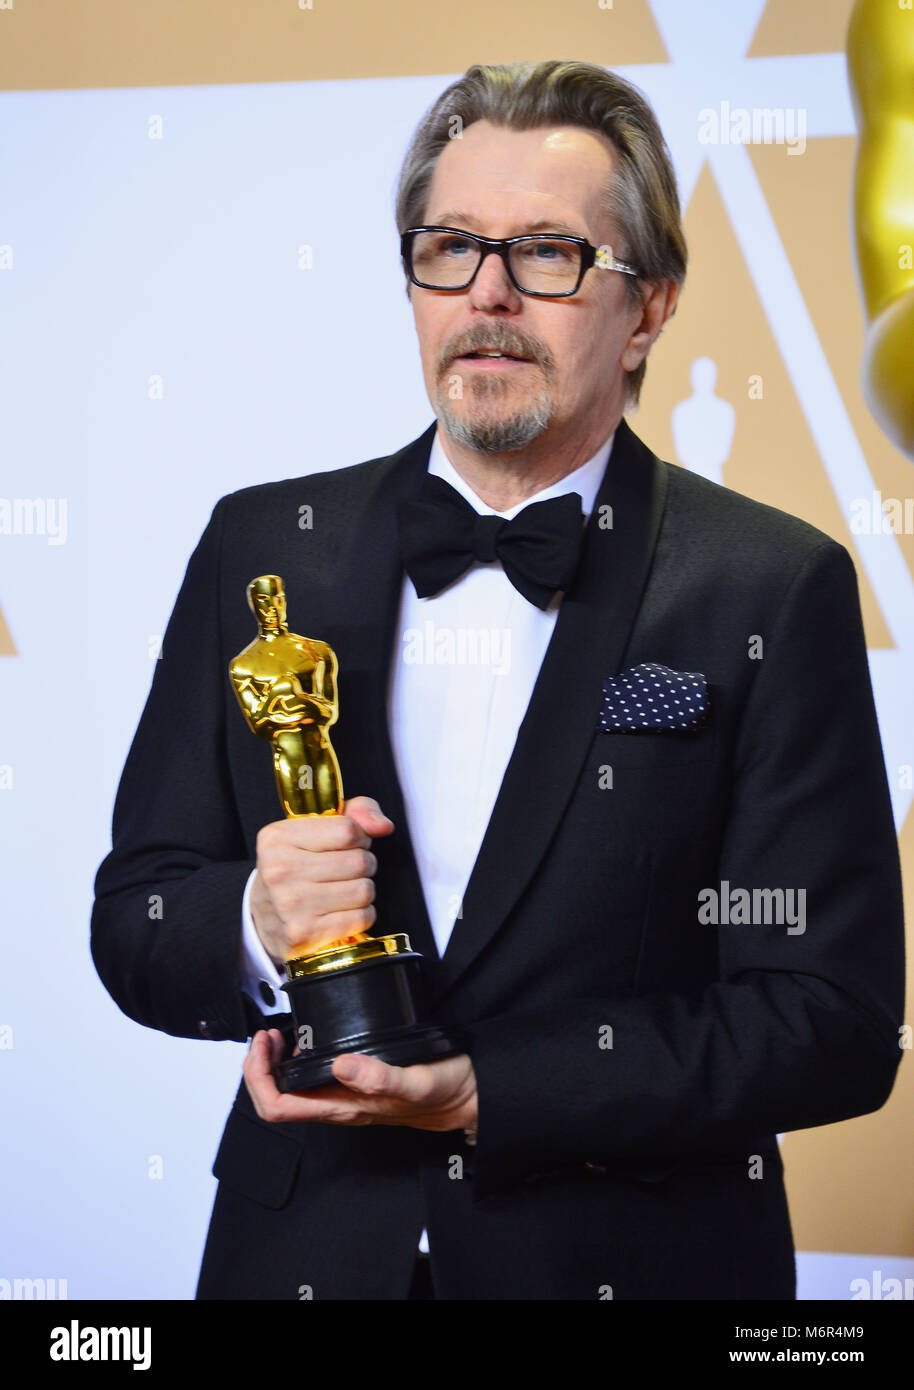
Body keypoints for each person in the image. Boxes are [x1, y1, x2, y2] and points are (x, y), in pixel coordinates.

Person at [91, 59, 905, 1301]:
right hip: (296, 1260)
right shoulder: (261, 549)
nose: (486, 295)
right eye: (449, 247)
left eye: (547, 254)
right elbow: (136, 913)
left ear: (648, 307)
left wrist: (491, 1091)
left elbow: (828, 1022)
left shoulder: (766, 586)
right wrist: (255, 926)